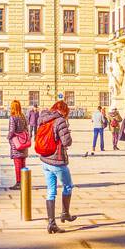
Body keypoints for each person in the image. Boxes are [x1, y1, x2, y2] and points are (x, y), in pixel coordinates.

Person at [34, 100, 75, 233]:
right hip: (57, 161)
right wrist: (68, 132)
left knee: (50, 191)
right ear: (64, 110)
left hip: (45, 160)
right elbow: (67, 142)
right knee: (68, 186)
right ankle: (65, 213)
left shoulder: (43, 119)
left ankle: (51, 223)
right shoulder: (60, 121)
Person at [7, 100, 30, 186]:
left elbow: (12, 130)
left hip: (16, 143)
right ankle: (24, 182)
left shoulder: (13, 117)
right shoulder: (23, 116)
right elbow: (26, 129)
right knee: (23, 163)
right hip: (23, 142)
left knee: (17, 163)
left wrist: (8, 137)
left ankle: (18, 182)